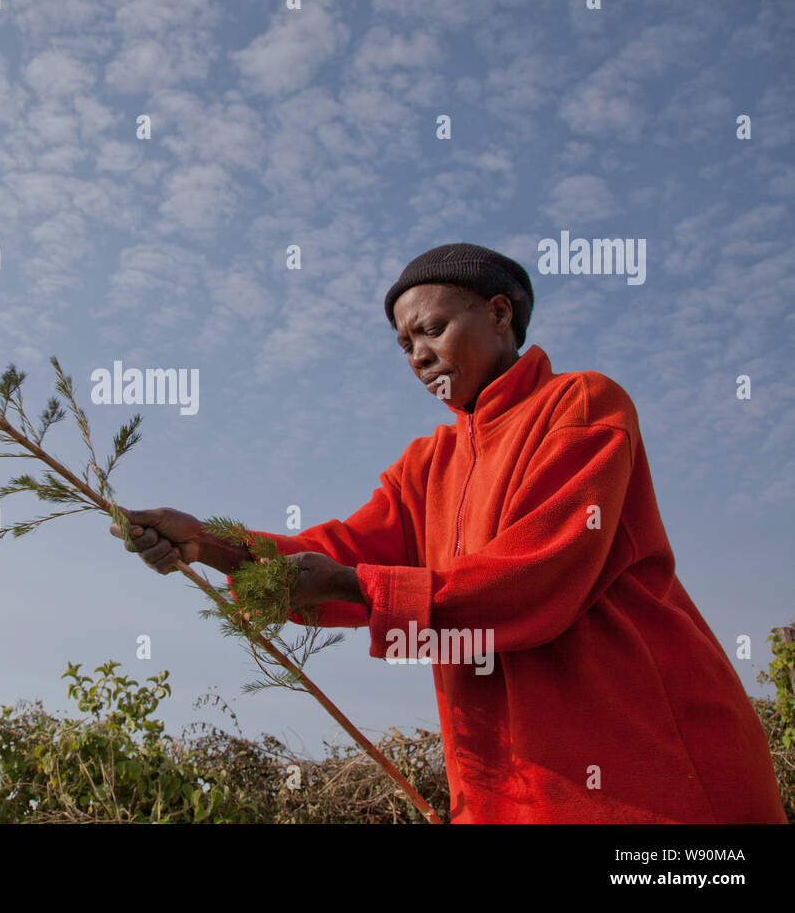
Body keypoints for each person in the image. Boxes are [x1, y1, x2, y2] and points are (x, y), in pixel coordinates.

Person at [110, 242, 788, 823]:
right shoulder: (425, 466)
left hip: (647, 769)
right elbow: (339, 552)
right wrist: (210, 544)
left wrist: (354, 586)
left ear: (499, 314)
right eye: (405, 345)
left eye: (432, 329)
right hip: (507, 782)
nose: (418, 356)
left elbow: (538, 575)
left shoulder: (581, 405)